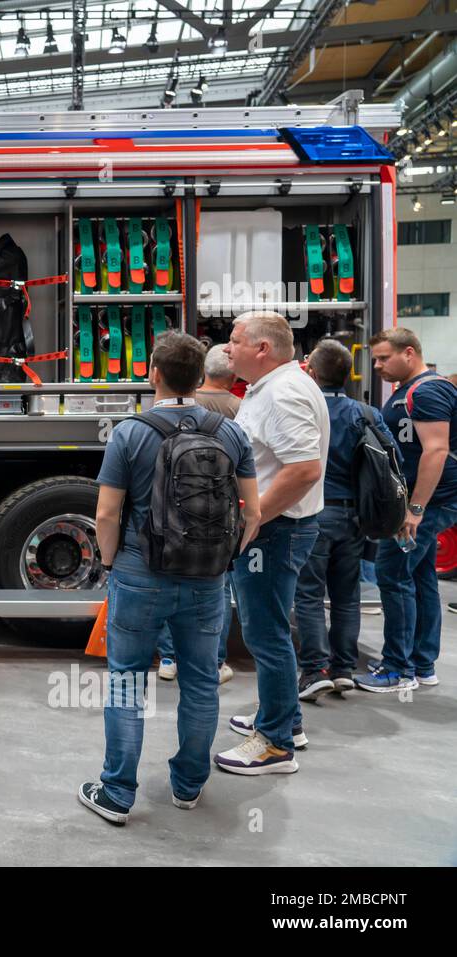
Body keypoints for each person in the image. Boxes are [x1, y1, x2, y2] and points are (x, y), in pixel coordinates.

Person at [78, 332, 259, 825]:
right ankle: (187, 786)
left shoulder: (130, 433)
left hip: (140, 573)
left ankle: (116, 793)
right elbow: (254, 511)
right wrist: (223, 560)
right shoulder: (230, 432)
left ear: (153, 372)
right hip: (207, 579)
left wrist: (113, 564)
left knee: (126, 682)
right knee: (201, 682)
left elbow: (107, 514)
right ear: (201, 377)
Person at [214, 312, 329, 775]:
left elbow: (303, 468)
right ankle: (286, 720)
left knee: (266, 634)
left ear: (263, 348)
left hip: (276, 533)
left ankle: (276, 745)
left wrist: (255, 516)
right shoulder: (275, 387)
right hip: (279, 530)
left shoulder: (283, 393)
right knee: (271, 629)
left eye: (235, 341)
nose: (227, 349)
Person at [293, 340, 401, 699]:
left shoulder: (304, 410)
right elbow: (392, 458)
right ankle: (342, 668)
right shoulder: (365, 413)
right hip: (354, 516)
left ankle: (314, 669)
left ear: (312, 372)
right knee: (346, 595)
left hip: (313, 513)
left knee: (308, 594)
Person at [360, 328, 457, 691]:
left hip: (428, 504)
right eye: (375, 359)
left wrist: (415, 509)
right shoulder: (411, 391)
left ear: (410, 353)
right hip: (429, 501)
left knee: (393, 575)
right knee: (420, 578)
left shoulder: (427, 390)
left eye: (384, 358)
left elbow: (436, 450)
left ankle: (397, 668)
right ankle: (421, 664)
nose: (378, 365)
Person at [156, 342, 242, 685]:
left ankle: (168, 658)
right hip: (217, 516)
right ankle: (215, 662)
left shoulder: (164, 414)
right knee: (216, 587)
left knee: (165, 578)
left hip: (174, 512)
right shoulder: (237, 409)